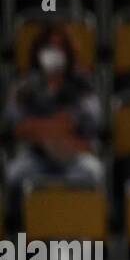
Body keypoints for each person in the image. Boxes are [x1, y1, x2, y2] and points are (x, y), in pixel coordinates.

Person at [3, 22, 104, 216]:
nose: (54, 53)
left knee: (93, 172)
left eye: (59, 47)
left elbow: (86, 122)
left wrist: (38, 127)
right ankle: (21, 234)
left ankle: (80, 235)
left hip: (73, 158)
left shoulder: (83, 86)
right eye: (49, 47)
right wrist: (57, 126)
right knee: (14, 174)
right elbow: (17, 128)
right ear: (39, 51)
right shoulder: (24, 87)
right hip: (35, 157)